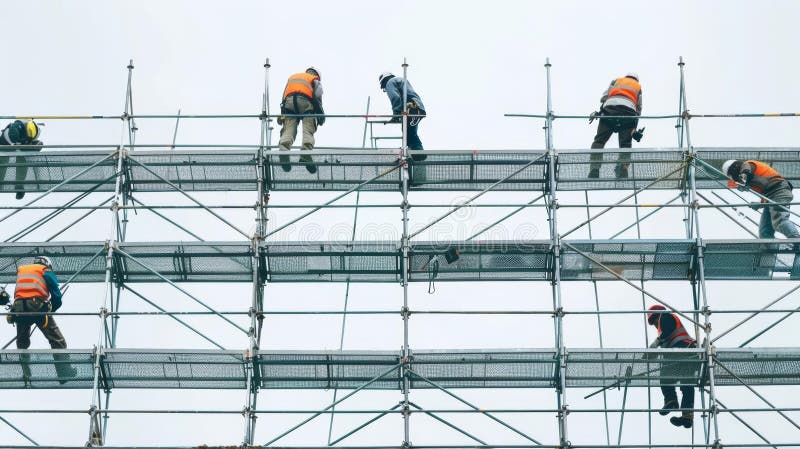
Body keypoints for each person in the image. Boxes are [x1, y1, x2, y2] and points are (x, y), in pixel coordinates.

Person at [8, 256, 76, 384]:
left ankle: (26, 374)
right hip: (36, 306)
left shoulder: (22, 269)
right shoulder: (45, 270)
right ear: (47, 264)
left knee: (22, 342)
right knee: (57, 340)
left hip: (18, 308)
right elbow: (56, 296)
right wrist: (52, 309)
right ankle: (64, 374)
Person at [646, 304, 697, 428]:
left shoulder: (666, 317)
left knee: (666, 377)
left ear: (657, 315)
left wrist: (656, 343)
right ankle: (687, 416)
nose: (654, 325)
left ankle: (671, 400)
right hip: (686, 354)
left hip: (683, 350)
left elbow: (668, 330)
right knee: (686, 384)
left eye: (653, 321)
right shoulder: (662, 325)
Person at [722, 159, 800, 239]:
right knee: (764, 231)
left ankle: (797, 240)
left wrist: (745, 179)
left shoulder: (748, 164)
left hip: (778, 191)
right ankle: (769, 248)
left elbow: (746, 169)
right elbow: (765, 194)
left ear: (734, 169)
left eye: (732, 176)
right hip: (771, 197)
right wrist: (759, 205)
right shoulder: (751, 178)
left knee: (779, 222)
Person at [588, 73, 642, 179]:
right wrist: (634, 128)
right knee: (625, 144)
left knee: (599, 140)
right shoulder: (638, 86)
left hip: (610, 111)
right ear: (636, 79)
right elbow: (639, 108)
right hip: (628, 113)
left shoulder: (616, 81)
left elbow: (604, 97)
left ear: (626, 76)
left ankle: (594, 169)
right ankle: (623, 169)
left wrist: (602, 112)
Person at [278, 67, 324, 174]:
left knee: (289, 128)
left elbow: (284, 96)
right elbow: (317, 96)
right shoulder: (314, 79)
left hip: (289, 103)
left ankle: (284, 150)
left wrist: (282, 114)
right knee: (309, 127)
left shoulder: (293, 77)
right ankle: (306, 154)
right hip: (305, 102)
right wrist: (320, 114)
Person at [379, 72, 426, 161]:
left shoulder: (390, 82)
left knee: (408, 132)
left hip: (412, 109)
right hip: (416, 108)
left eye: (384, 88)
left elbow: (395, 97)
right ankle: (414, 152)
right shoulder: (400, 80)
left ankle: (418, 155)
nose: (386, 89)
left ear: (384, 82)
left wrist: (396, 114)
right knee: (408, 131)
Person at [0, 120, 43, 199]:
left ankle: (19, 185)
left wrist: (31, 145)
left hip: (16, 146)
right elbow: (13, 134)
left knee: (22, 161)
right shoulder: (17, 127)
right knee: (3, 163)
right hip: (5, 145)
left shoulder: (30, 133)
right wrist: (23, 144)